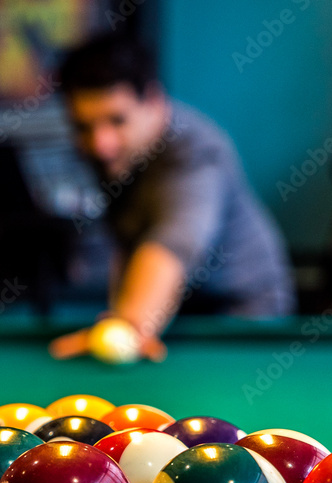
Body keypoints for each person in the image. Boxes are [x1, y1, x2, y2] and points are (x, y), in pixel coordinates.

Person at [48, 34, 296, 362]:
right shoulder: (114, 153)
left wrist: (130, 323)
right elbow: (130, 243)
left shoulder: (195, 152)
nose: (100, 143)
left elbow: (172, 245)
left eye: (117, 120)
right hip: (179, 317)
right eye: (83, 127)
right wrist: (120, 312)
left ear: (153, 101)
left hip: (245, 317)